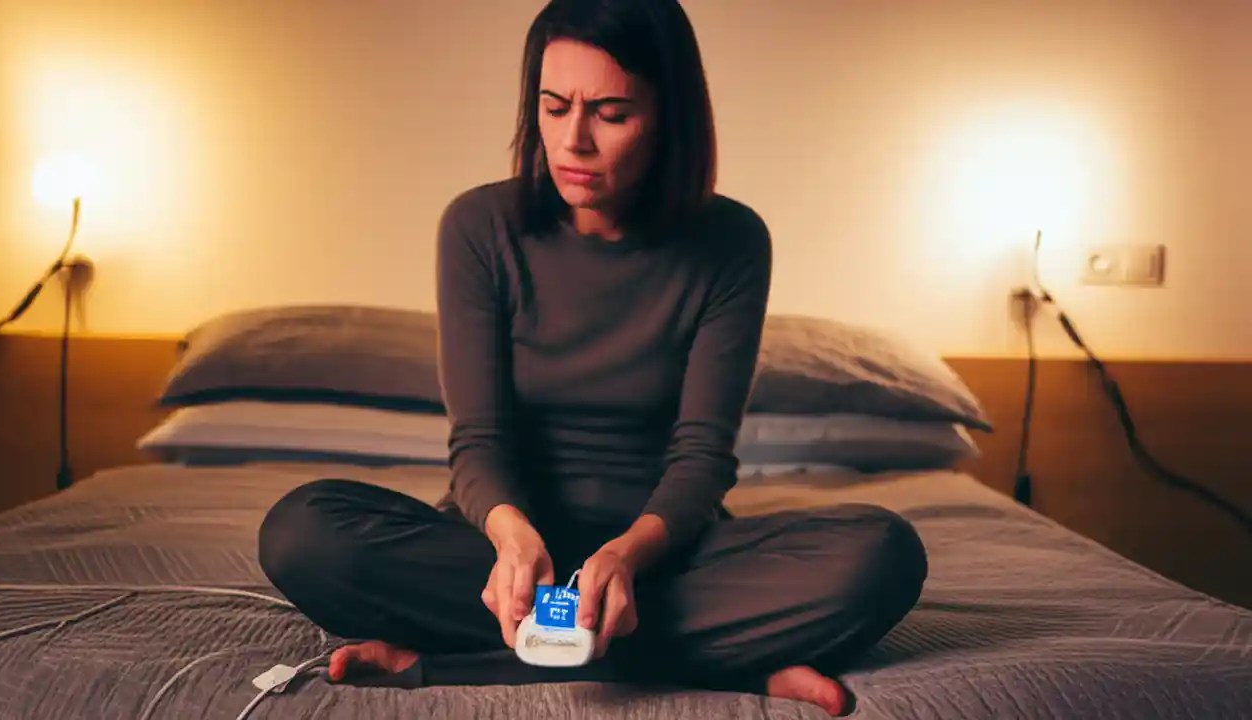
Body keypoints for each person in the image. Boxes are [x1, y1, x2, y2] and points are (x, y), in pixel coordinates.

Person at [257, 0, 927, 714]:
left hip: (662, 561)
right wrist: (512, 539)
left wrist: (624, 559)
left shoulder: (731, 242)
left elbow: (702, 456)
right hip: (500, 560)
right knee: (301, 532)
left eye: (610, 113)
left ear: (669, 115)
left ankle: (450, 662)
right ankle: (725, 664)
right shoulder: (478, 228)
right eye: (553, 106)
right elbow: (477, 441)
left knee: (883, 554)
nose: (573, 140)